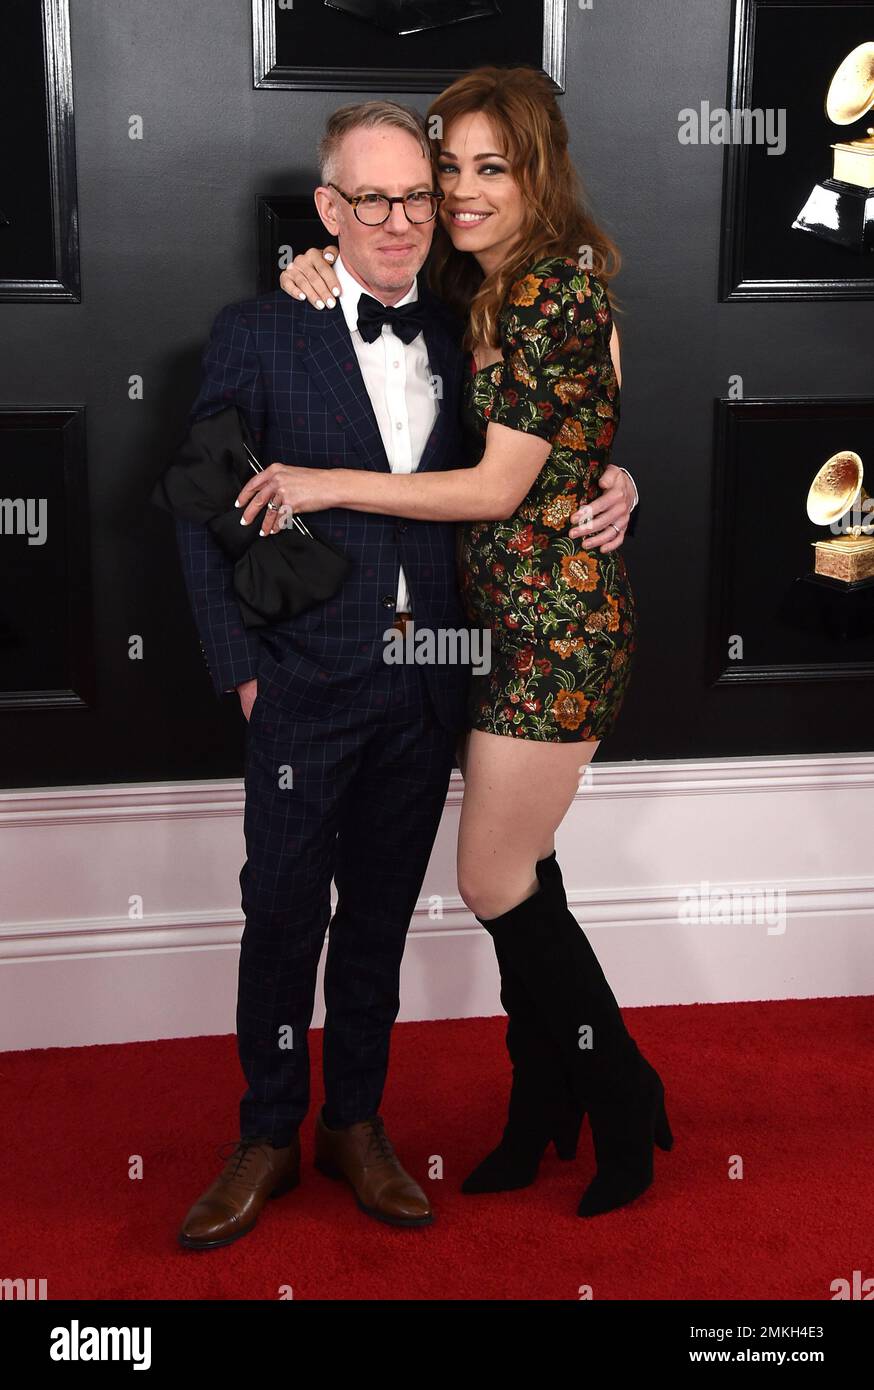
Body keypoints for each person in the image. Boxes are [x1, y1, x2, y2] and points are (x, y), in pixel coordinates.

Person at [173, 93, 639, 1250]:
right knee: (281, 915)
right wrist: (243, 672)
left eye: (417, 196)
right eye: (371, 198)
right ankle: (268, 1133)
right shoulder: (260, 325)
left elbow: (540, 450)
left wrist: (619, 486)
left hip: (439, 672)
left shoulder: (466, 320)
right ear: (328, 209)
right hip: (302, 678)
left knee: (379, 917)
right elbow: (194, 501)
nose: (400, 219)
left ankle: (358, 1124)